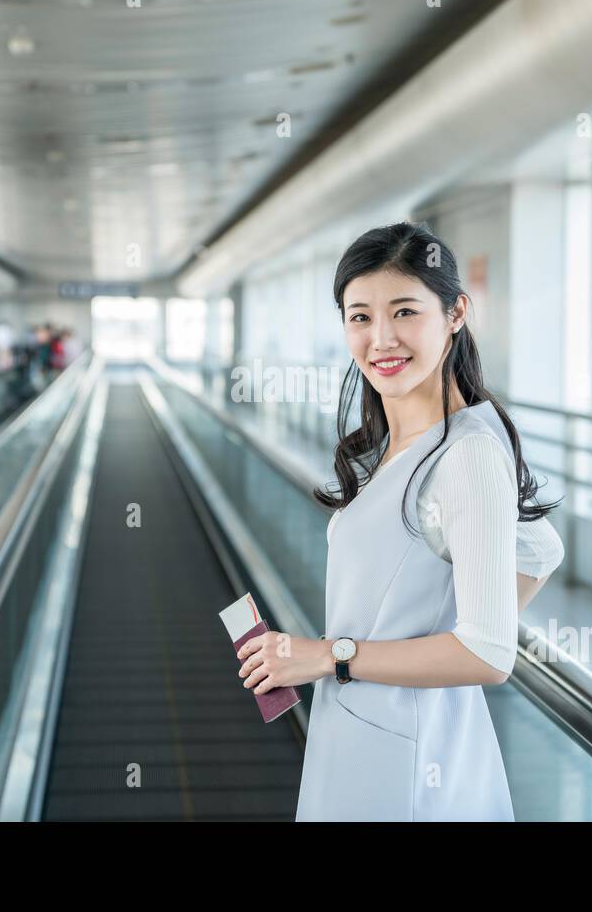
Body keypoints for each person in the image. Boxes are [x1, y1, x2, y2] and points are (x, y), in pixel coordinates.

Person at [235, 221, 564, 821]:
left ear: (456, 312)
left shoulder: (465, 453)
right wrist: (436, 621)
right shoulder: (411, 440)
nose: (381, 338)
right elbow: (539, 549)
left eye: (405, 311)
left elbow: (489, 653)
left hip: (407, 770)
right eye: (359, 317)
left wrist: (330, 656)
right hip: (375, 737)